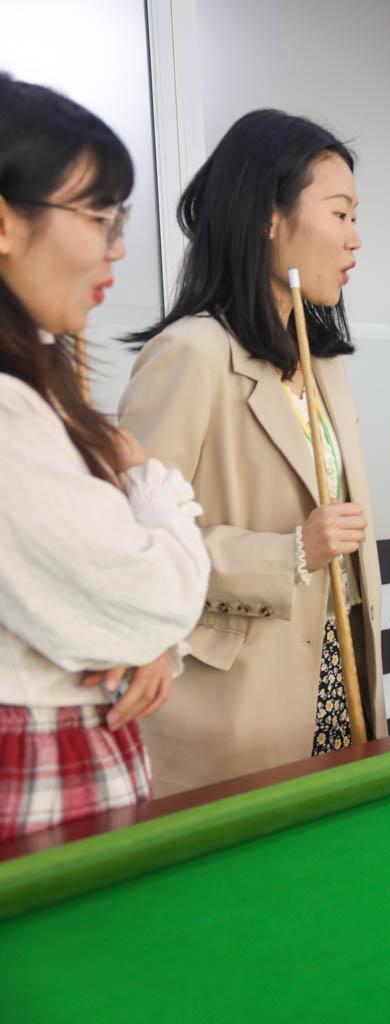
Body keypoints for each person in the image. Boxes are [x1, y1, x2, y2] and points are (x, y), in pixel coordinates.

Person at [118, 110, 383, 794]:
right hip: (236, 710)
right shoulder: (190, 353)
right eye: (339, 213)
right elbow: (131, 546)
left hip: (341, 681)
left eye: (355, 218)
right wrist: (289, 552)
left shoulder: (323, 366)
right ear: (269, 217)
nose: (355, 238)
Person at [0, 75, 209, 837]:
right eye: (99, 217)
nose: (116, 246)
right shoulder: (13, 409)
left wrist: (144, 631)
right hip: (43, 771)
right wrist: (143, 475)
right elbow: (150, 594)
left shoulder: (37, 390)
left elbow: (113, 598)